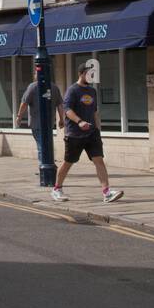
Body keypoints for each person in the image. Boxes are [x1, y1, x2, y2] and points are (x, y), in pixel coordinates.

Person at [52, 63, 123, 204]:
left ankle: (106, 192)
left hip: (92, 133)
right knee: (68, 162)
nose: (92, 76)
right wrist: (79, 122)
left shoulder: (92, 91)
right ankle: (57, 189)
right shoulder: (72, 90)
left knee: (99, 160)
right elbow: (67, 110)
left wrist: (98, 129)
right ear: (82, 73)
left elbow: (95, 112)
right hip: (74, 134)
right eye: (90, 74)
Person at [16, 71, 64, 161]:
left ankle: (44, 167)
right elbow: (60, 105)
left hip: (36, 123)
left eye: (35, 73)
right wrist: (61, 119)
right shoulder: (54, 87)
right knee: (47, 145)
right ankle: (49, 164)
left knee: (41, 147)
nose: (34, 75)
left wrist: (19, 117)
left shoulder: (33, 87)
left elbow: (24, 103)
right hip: (49, 123)